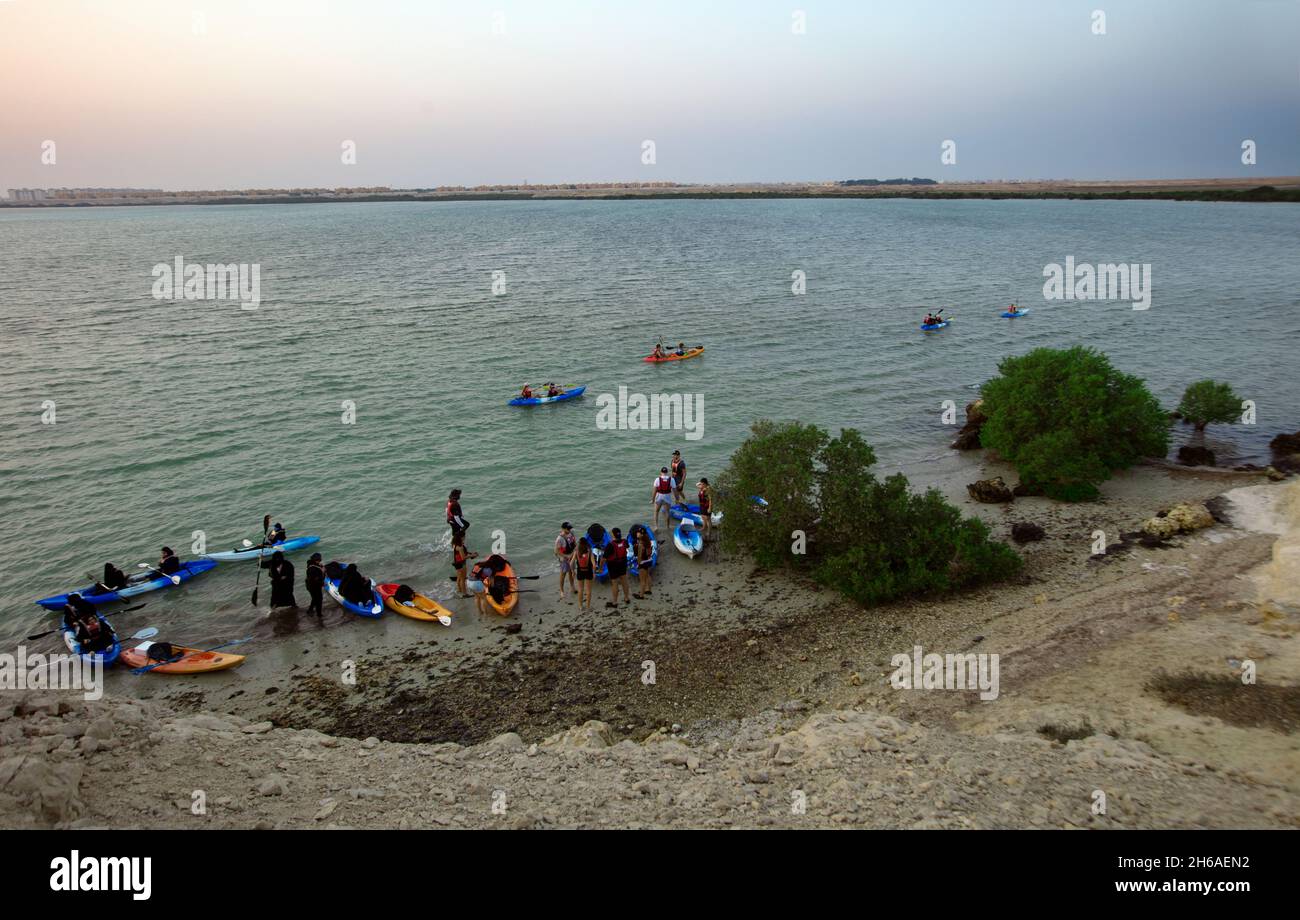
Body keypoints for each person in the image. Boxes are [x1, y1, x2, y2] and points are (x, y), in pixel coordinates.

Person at [605, 527, 631, 610]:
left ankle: (615, 602)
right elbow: (627, 547)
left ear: (613, 535)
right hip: (623, 563)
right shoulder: (624, 541)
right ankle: (626, 598)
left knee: (615, 583)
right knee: (624, 580)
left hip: (613, 565)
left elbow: (604, 558)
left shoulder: (610, 545)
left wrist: (601, 568)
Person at [452, 531, 477, 597]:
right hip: (461, 564)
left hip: (456, 563)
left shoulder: (454, 544)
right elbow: (463, 557)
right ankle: (465, 594)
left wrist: (470, 553)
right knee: (463, 579)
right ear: (461, 537)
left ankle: (459, 590)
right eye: (464, 536)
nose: (464, 537)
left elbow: (461, 553)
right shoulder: (460, 547)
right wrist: (472, 556)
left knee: (459, 578)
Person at [555, 523, 577, 598]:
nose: (569, 530)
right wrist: (566, 556)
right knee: (563, 574)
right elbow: (557, 551)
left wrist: (574, 553)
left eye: (570, 528)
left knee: (571, 572)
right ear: (563, 529)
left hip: (572, 556)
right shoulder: (559, 539)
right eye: (568, 529)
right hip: (564, 558)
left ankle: (572, 586)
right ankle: (561, 590)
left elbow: (575, 544)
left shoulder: (572, 533)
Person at [651, 467, 676, 531]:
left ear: (661, 472)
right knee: (667, 512)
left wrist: (653, 499)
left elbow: (654, 490)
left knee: (656, 512)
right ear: (667, 472)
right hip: (667, 497)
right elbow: (674, 490)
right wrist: (677, 499)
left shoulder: (657, 479)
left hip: (659, 497)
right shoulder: (672, 479)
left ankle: (656, 526)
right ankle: (668, 527)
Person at [632, 527, 654, 599]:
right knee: (647, 575)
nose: (637, 533)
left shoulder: (641, 544)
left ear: (641, 534)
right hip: (649, 560)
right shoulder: (647, 540)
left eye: (638, 532)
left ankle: (641, 595)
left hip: (643, 562)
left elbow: (639, 556)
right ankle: (649, 590)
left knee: (642, 580)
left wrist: (638, 564)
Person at [574, 537, 594, 611]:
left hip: (580, 572)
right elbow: (594, 564)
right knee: (588, 590)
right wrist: (594, 573)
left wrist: (573, 572)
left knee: (580, 589)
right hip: (588, 572)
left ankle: (580, 606)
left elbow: (571, 563)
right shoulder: (589, 551)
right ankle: (588, 607)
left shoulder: (577, 551)